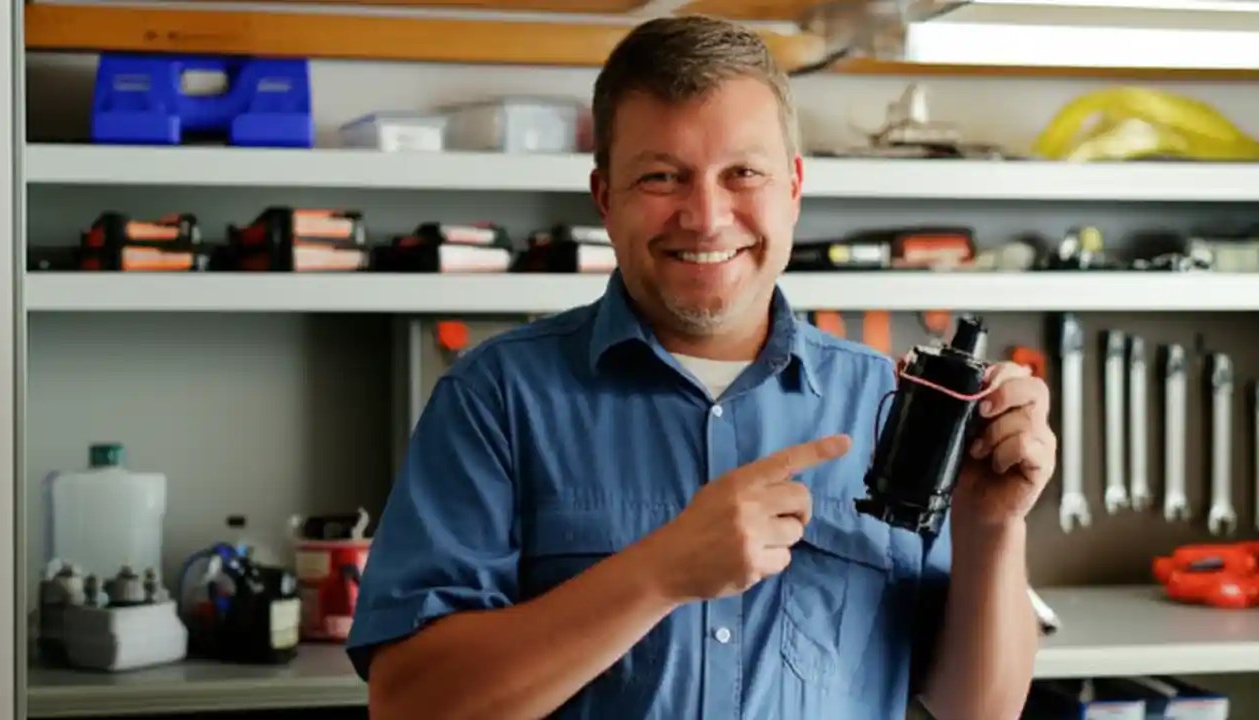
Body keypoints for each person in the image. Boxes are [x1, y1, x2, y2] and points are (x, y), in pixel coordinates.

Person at [347, 14, 1056, 720]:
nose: (707, 217)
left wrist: (991, 527)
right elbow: (410, 704)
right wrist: (658, 574)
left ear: (793, 186)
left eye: (743, 173)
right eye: (662, 177)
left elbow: (978, 709)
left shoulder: (883, 406)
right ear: (605, 198)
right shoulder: (496, 399)